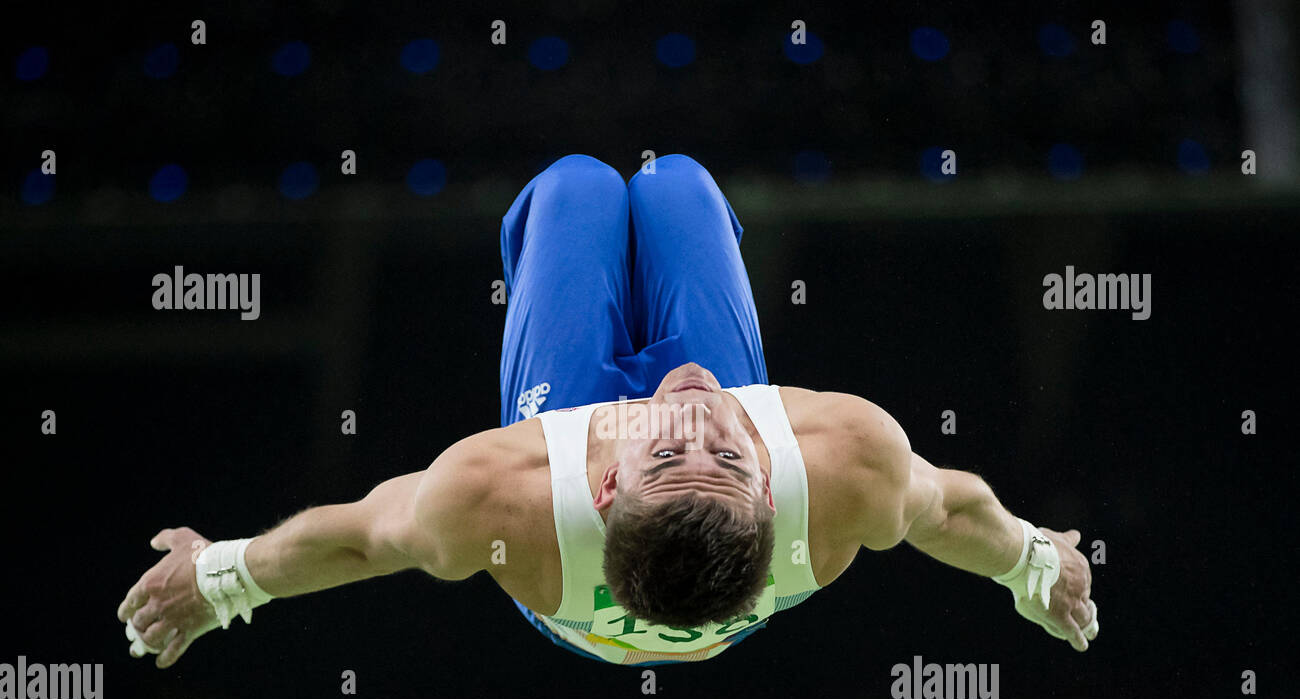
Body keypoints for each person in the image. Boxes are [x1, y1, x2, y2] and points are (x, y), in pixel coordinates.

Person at [116, 154, 1098, 669]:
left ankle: (578, 223)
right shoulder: (843, 462)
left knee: (578, 186)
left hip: (576, 583)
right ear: (772, 486)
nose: (695, 419)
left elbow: (366, 539)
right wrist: (1031, 560)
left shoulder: (505, 495)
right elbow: (953, 508)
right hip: (705, 542)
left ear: (608, 475)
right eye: (731, 453)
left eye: (670, 455)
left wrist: (223, 577)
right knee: (678, 185)